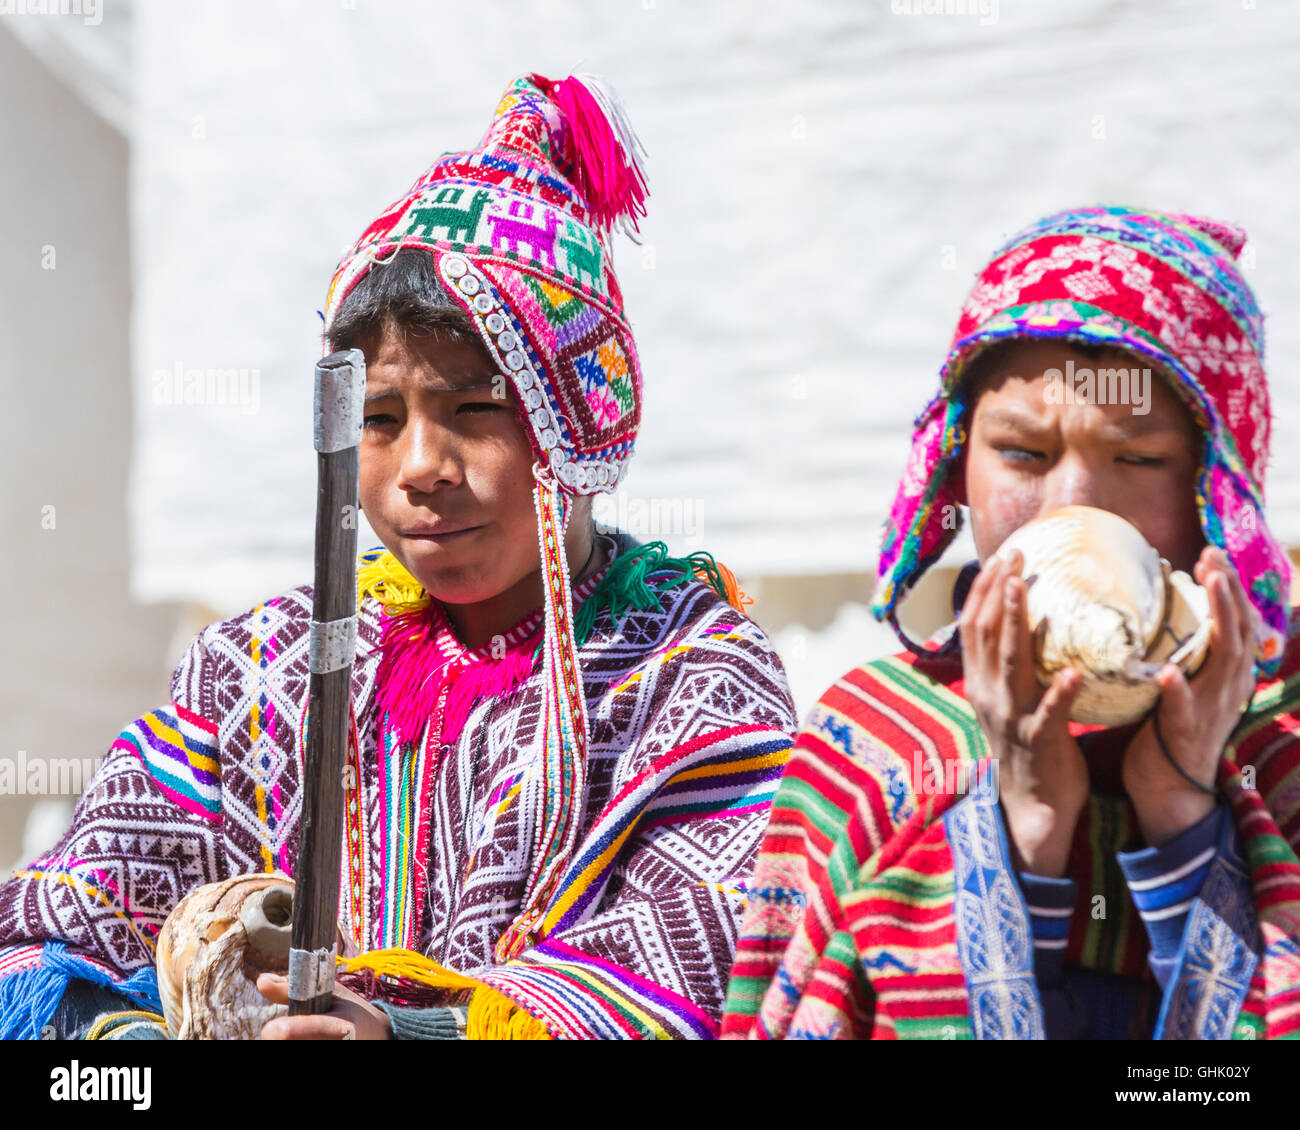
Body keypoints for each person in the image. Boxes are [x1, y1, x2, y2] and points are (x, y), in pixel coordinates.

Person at [0, 72, 796, 1041]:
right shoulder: (262, 671)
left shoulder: (688, 673)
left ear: (578, 420)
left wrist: (410, 1036)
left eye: (474, 410)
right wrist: (126, 1041)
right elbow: (54, 926)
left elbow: (711, 966)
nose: (421, 466)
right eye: (379, 418)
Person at [722, 206, 1300, 1040]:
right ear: (955, 463)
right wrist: (1023, 822)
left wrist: (1182, 809)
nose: (1072, 504)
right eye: (1024, 455)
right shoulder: (875, 737)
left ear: (1217, 487)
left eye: (1137, 459)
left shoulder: (1278, 749)